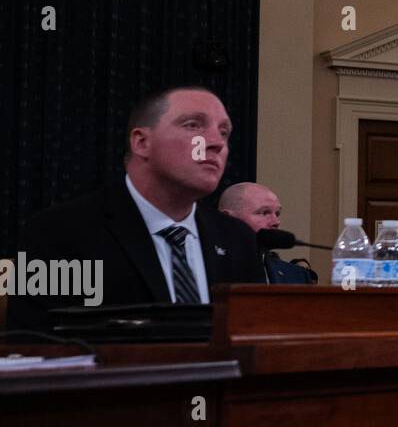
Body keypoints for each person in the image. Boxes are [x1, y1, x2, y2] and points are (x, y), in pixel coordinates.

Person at [8, 86, 264, 332]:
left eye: (224, 132)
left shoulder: (237, 240)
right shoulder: (58, 232)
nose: (216, 143)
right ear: (141, 142)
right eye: (193, 125)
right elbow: (33, 342)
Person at [219, 181, 314, 284]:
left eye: (277, 213)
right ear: (227, 219)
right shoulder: (208, 268)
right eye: (264, 213)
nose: (276, 222)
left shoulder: (297, 276)